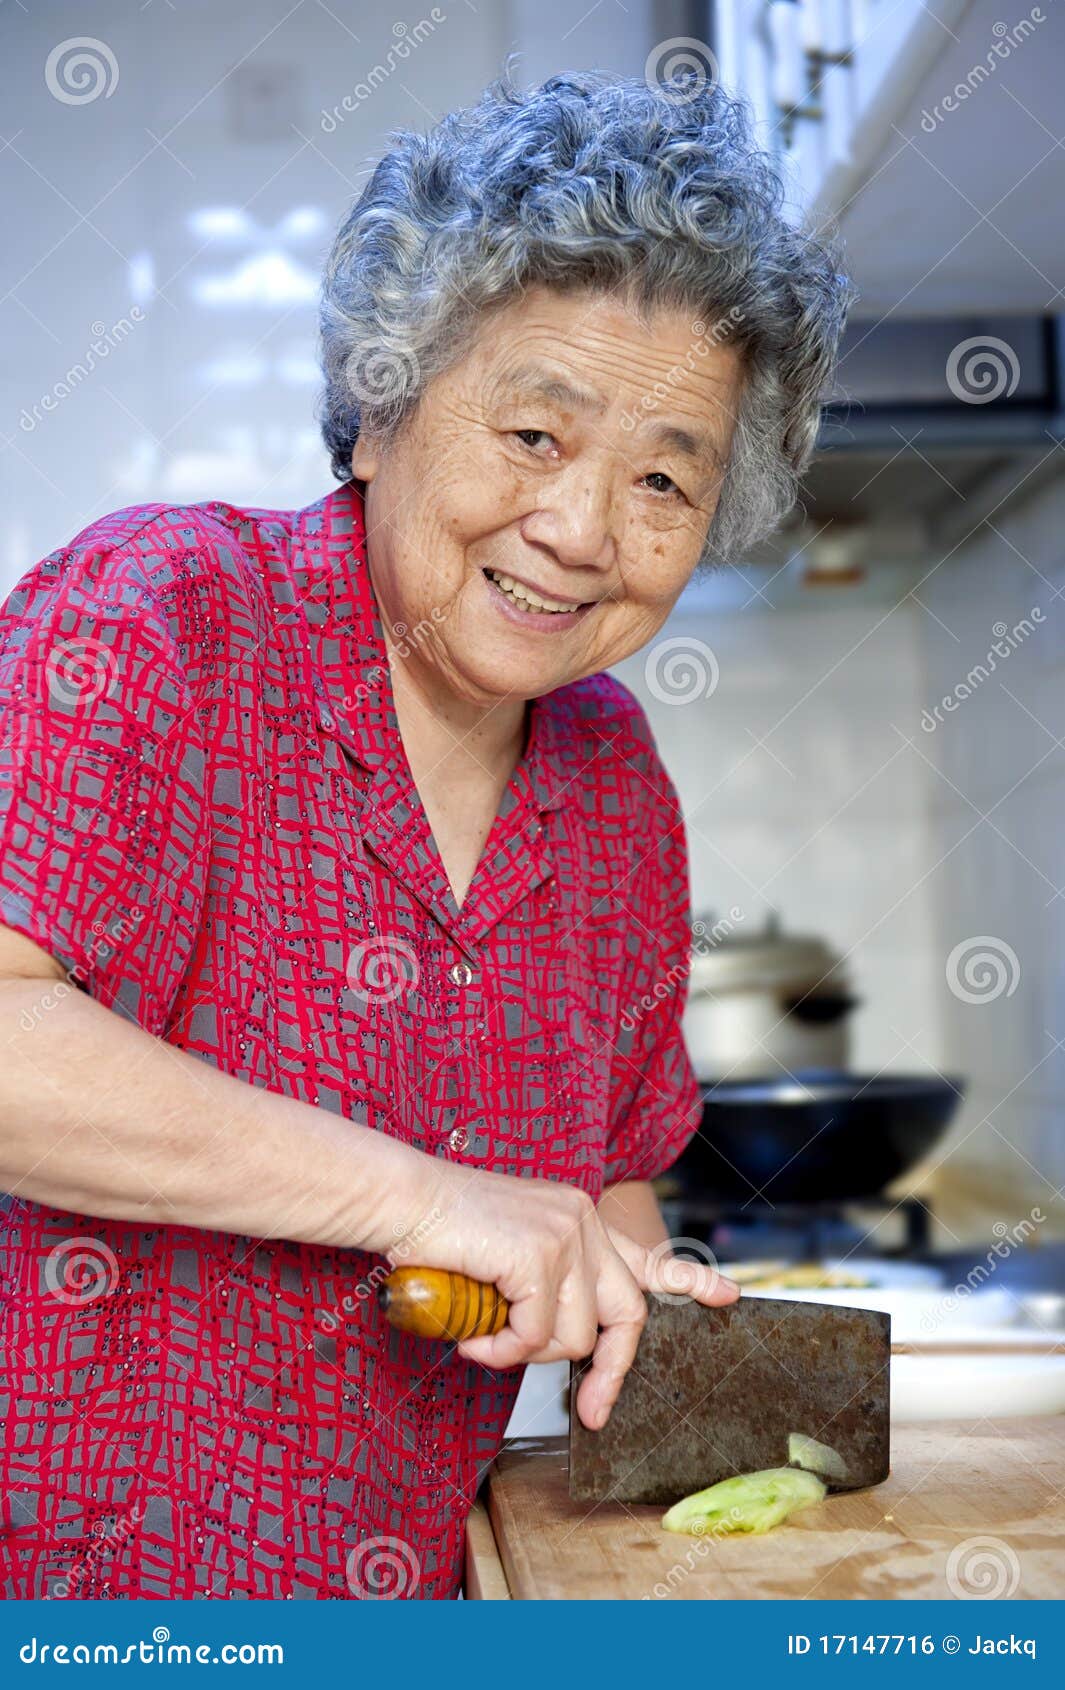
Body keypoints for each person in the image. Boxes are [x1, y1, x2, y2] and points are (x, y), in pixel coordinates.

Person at [0, 68, 852, 1599]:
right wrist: (419, 1192)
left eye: (664, 478)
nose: (586, 529)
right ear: (382, 404)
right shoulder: (155, 621)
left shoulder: (616, 785)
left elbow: (598, 1185)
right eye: (532, 432)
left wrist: (638, 1300)